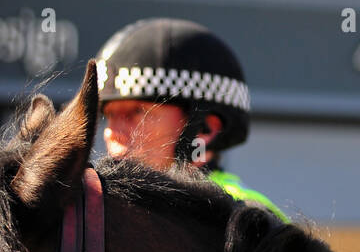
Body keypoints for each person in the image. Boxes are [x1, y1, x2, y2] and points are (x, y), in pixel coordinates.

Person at [94, 18, 288, 222]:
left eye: (137, 112)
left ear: (204, 130)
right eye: (110, 115)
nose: (111, 132)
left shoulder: (247, 222)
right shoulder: (106, 210)